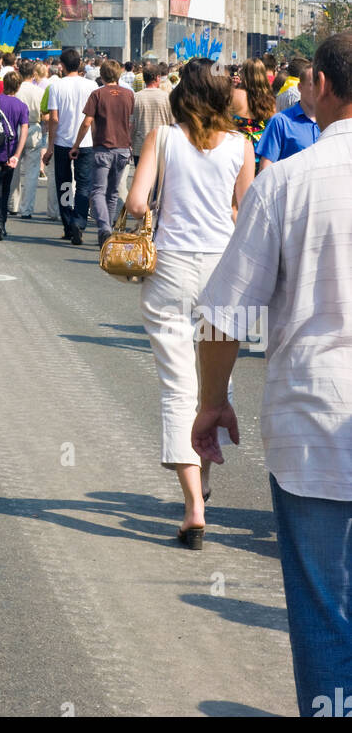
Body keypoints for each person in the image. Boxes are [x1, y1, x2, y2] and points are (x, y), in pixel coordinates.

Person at [193, 33, 352, 715]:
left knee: (324, 614)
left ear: (317, 82)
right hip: (314, 426)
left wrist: (211, 401)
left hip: (315, 426)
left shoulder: (288, 183)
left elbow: (226, 316)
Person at [126, 58, 254, 545]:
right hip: (223, 270)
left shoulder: (164, 139)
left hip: (171, 268)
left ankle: (194, 504)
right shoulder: (241, 146)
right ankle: (208, 481)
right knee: (214, 384)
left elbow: (137, 204)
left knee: (177, 386)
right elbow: (245, 213)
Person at [70, 59, 135, 248]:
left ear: (102, 76)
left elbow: (87, 122)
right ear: (119, 74)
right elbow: (131, 121)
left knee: (98, 190)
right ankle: (109, 229)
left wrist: (76, 145)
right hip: (123, 148)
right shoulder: (129, 95)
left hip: (102, 147)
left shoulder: (97, 94)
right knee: (113, 192)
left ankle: (104, 227)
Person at [43, 48, 95, 245]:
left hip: (62, 141)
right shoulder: (91, 85)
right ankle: (80, 220)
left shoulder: (56, 87)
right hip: (86, 141)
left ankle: (67, 224)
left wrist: (49, 148)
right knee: (83, 184)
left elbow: (54, 119)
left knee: (64, 183)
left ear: (61, 66)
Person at [0, 70, 29, 241]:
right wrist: (17, 154)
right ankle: (2, 223)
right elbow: (23, 131)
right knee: (5, 189)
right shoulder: (21, 106)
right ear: (18, 86)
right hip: (10, 152)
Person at [256, 62, 320, 169]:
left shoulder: (332, 122)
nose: (317, 89)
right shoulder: (280, 122)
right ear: (299, 87)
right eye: (311, 84)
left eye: (320, 85)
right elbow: (266, 168)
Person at [9, 62, 44, 219]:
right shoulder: (39, 91)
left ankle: (12, 204)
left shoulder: (16, 91)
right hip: (34, 128)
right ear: (34, 74)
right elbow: (44, 113)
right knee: (31, 172)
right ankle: (26, 208)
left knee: (13, 169)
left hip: (15, 128)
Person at [230, 58, 275, 166]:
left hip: (238, 150)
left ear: (244, 74)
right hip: (262, 152)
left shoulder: (235, 95)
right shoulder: (271, 101)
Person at [130, 62, 173, 167]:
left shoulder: (136, 97)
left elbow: (131, 124)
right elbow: (173, 124)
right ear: (158, 78)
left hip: (140, 146)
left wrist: (129, 142)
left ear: (144, 78)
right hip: (161, 145)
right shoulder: (167, 98)